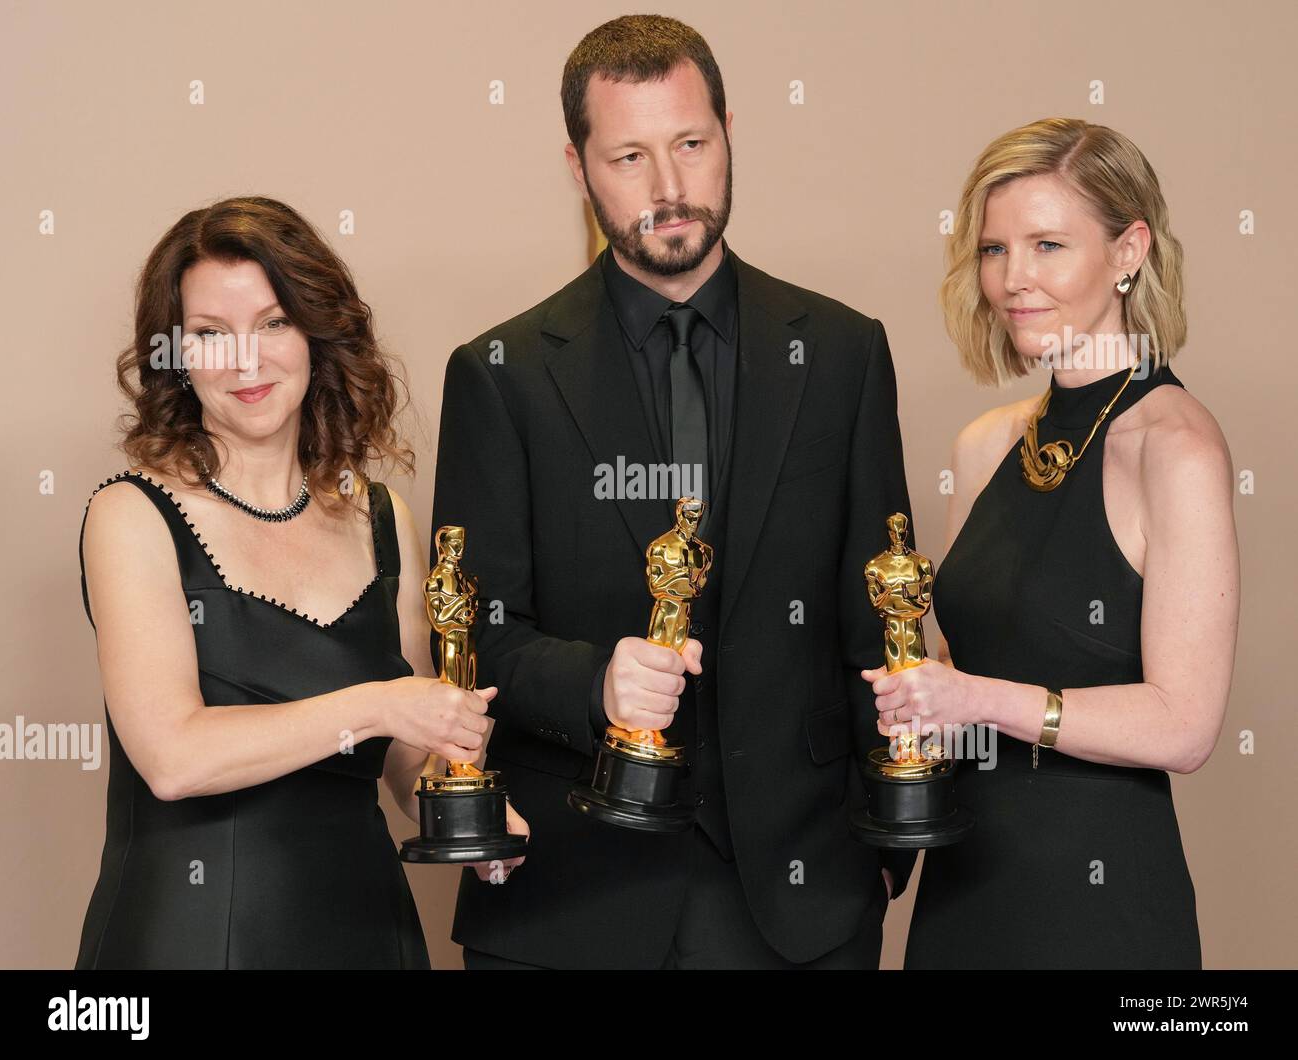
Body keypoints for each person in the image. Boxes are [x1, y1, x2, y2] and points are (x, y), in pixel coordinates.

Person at [432, 14, 914, 969]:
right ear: (577, 167)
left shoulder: (846, 351)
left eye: (691, 144)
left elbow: (881, 614)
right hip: (572, 902)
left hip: (804, 902)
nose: (667, 188)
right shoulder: (500, 372)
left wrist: (883, 847)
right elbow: (471, 635)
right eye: (628, 157)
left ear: (729, 130)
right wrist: (597, 683)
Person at [76, 196, 526, 969]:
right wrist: (380, 702)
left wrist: (472, 811)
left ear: (316, 334)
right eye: (212, 335)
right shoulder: (129, 516)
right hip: (187, 941)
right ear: (175, 356)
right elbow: (174, 759)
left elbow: (404, 761)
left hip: (366, 936)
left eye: (273, 323)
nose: (246, 361)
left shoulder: (384, 518)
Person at [862, 118, 1239, 968]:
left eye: (1048, 246)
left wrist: (976, 701)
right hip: (964, 889)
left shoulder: (1176, 446)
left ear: (1128, 249)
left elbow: (1186, 726)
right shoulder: (986, 443)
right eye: (996, 250)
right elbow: (952, 684)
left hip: (1100, 911)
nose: (1014, 280)